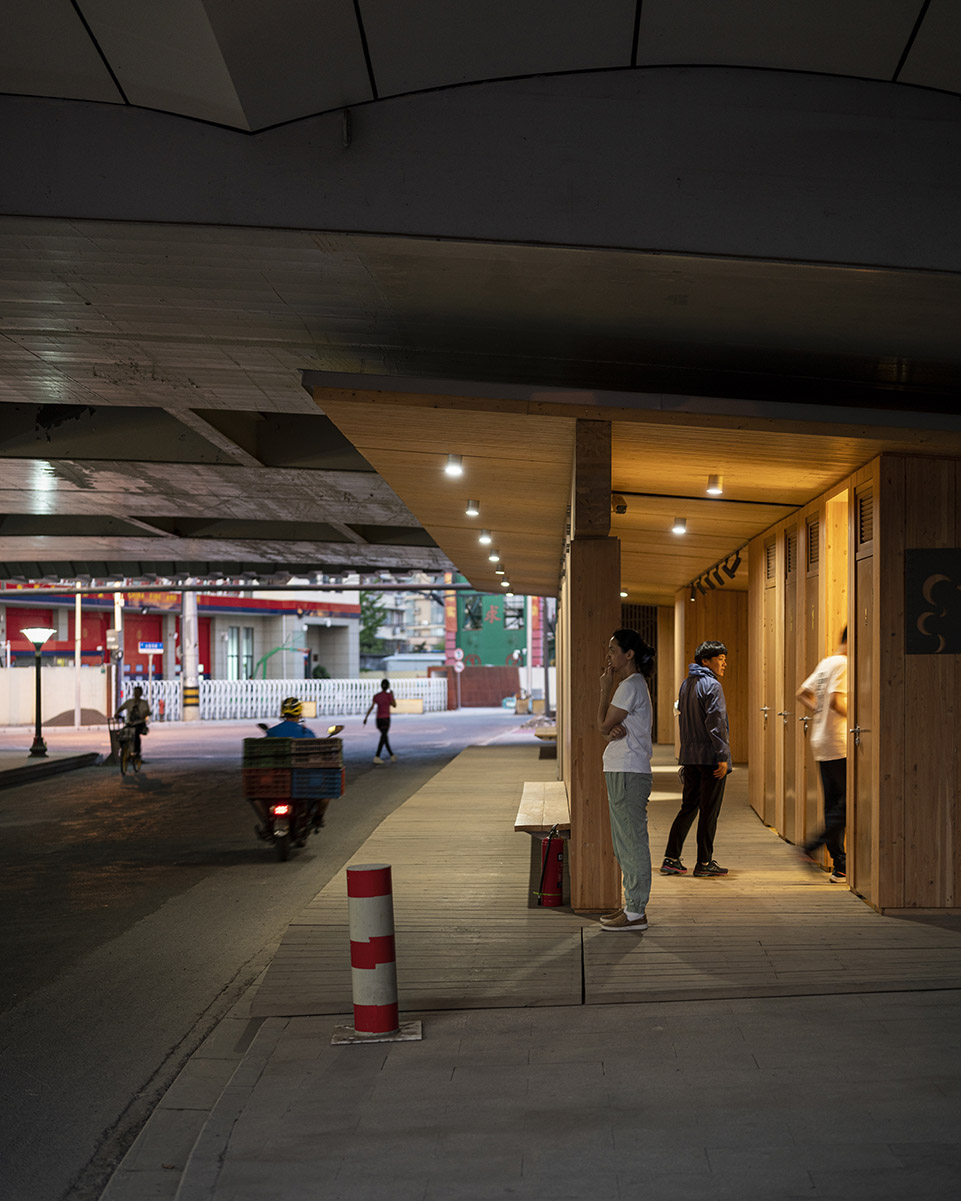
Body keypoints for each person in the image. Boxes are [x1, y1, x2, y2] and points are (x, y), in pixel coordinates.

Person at [596, 628, 656, 931]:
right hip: (624, 770)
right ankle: (632, 907)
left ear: (628, 654)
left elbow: (603, 724)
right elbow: (606, 729)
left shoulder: (629, 685)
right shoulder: (632, 686)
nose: (609, 656)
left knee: (631, 842)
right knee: (625, 843)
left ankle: (635, 912)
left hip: (628, 771)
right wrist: (608, 729)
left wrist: (604, 689)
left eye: (612, 649)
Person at [662, 640, 732, 879]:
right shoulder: (712, 686)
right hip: (711, 757)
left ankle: (671, 858)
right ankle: (704, 862)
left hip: (690, 756)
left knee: (689, 807)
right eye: (720, 658)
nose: (724, 663)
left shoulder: (687, 684)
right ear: (705, 661)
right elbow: (717, 723)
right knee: (709, 811)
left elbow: (682, 718)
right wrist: (722, 756)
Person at [796, 627, 848, 882]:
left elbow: (801, 693)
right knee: (849, 803)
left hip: (820, 740)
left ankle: (840, 865)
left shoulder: (827, 662)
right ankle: (813, 845)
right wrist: (863, 722)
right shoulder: (844, 664)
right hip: (838, 741)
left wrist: (820, 713)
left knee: (834, 803)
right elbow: (837, 702)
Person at [364, 679, 397, 763]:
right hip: (386, 719)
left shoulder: (376, 696)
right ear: (388, 686)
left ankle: (392, 755)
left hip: (378, 719)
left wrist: (366, 717)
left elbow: (371, 707)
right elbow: (394, 705)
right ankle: (377, 756)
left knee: (384, 736)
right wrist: (392, 696)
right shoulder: (389, 695)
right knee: (384, 737)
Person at [115, 685, 151, 758]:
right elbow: (121, 708)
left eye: (138, 692)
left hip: (139, 723)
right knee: (122, 734)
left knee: (136, 734)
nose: (136, 694)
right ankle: (124, 749)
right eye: (135, 692)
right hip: (129, 723)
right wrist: (117, 713)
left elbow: (147, 711)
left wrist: (144, 715)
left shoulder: (143, 703)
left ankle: (137, 752)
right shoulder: (129, 702)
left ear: (141, 693)